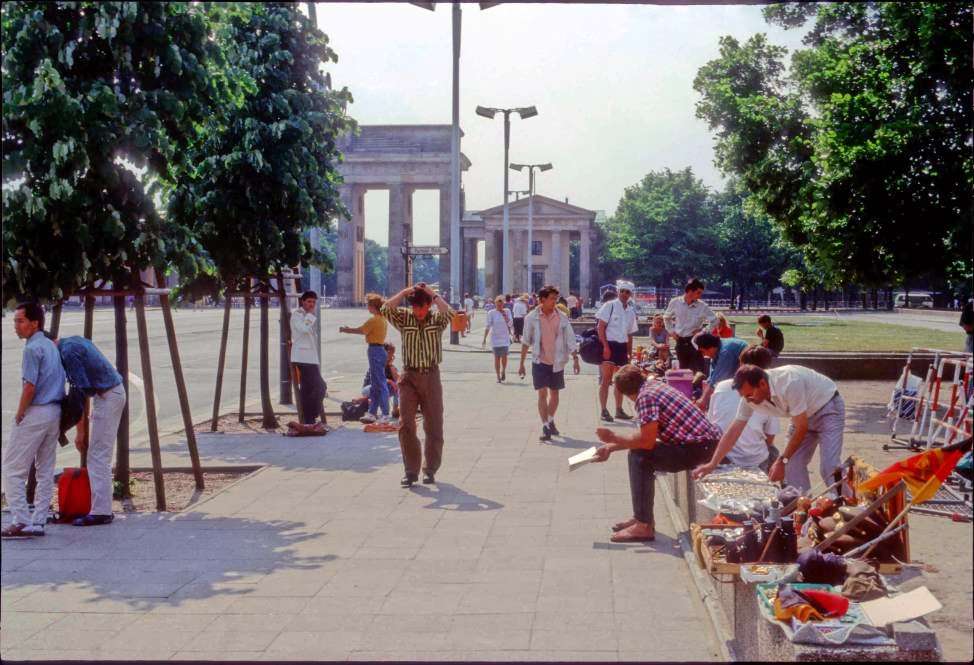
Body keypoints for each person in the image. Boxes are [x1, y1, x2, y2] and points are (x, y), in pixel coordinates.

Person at [592, 365, 722, 542]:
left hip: (700, 449)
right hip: (704, 445)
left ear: (626, 393)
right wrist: (611, 446)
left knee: (640, 457)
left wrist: (614, 436)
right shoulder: (655, 386)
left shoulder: (645, 397)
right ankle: (642, 517)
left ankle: (643, 524)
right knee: (639, 453)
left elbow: (646, 441)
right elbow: (647, 436)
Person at [693, 364, 845, 494]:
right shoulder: (749, 397)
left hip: (827, 408)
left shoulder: (790, 382)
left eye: (749, 395)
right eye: (744, 397)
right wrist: (712, 464)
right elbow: (734, 431)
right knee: (792, 466)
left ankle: (849, 506)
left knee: (829, 467)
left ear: (762, 384)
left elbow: (801, 427)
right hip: (801, 415)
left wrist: (781, 461)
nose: (747, 401)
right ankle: (802, 510)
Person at [381, 283, 454, 487]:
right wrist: (404, 292)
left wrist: (433, 294)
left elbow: (449, 313)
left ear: (428, 306)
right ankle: (411, 470)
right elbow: (386, 308)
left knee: (434, 425)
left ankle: (429, 469)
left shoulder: (436, 321)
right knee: (406, 424)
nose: (418, 312)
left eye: (422, 307)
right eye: (415, 307)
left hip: (431, 376)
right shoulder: (405, 319)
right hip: (410, 377)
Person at [2, 303, 65, 539]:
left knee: (12, 468)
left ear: (34, 323)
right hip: (54, 411)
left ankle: (20, 519)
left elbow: (29, 386)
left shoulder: (32, 349)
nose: (16, 326)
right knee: (45, 469)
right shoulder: (49, 345)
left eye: (20, 321)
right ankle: (38, 521)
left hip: (36, 411)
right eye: (14, 321)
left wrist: (20, 412)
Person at [56, 336, 127, 526]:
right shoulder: (73, 341)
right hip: (108, 395)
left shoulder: (67, 352)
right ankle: (101, 508)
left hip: (107, 397)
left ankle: (102, 512)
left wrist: (80, 433)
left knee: (98, 456)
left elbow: (80, 392)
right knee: (98, 454)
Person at [518, 285, 581, 442]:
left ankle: (551, 419)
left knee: (555, 394)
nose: (555, 302)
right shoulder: (531, 317)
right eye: (552, 298)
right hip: (539, 360)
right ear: (542, 299)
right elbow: (526, 341)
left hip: (557, 361)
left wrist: (575, 358)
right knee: (542, 393)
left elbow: (570, 338)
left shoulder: (561, 317)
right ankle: (545, 425)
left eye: (556, 298)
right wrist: (521, 364)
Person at [707, 379, 779, 473]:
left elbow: (711, 422)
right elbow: (770, 437)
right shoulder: (767, 392)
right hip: (754, 458)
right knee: (772, 450)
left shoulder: (721, 387)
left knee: (774, 452)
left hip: (725, 457)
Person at [340, 293, 390, 424]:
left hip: (375, 350)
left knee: (380, 383)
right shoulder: (383, 319)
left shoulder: (374, 320)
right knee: (375, 383)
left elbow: (362, 331)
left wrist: (346, 330)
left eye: (368, 304)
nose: (367, 307)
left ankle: (385, 413)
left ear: (373, 306)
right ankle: (372, 412)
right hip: (379, 350)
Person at [596, 283, 639, 422]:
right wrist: (605, 347)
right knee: (606, 380)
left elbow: (630, 333)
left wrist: (629, 352)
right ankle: (603, 410)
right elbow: (600, 327)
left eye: (628, 292)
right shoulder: (610, 305)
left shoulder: (631, 311)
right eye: (622, 291)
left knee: (620, 381)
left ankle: (619, 409)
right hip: (610, 344)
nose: (624, 294)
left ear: (631, 294)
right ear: (618, 291)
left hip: (622, 347)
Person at [664, 278, 716, 374]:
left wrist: (703, 331)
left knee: (698, 371)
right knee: (682, 372)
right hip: (680, 341)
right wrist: (672, 332)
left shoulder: (703, 306)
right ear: (690, 291)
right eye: (698, 293)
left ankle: (698, 388)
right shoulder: (675, 302)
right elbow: (666, 318)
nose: (700, 296)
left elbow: (715, 320)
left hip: (695, 342)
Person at [290, 291, 327, 426]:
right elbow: (303, 329)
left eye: (313, 302)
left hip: (310, 358)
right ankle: (310, 416)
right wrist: (311, 315)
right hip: (302, 356)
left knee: (309, 387)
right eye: (309, 301)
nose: (312, 304)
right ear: (303, 302)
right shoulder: (297, 315)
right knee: (319, 386)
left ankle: (309, 417)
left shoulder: (306, 315)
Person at [693, 333, 749, 411]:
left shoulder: (725, 352)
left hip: (750, 366)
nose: (704, 355)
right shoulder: (717, 349)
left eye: (703, 352)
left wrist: (703, 400)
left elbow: (717, 380)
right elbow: (712, 377)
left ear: (711, 347)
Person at [361, 342, 401, 421]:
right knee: (383, 386)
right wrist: (389, 381)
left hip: (384, 389)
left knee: (398, 385)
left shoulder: (391, 366)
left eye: (393, 353)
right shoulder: (377, 363)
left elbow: (397, 380)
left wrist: (390, 365)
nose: (391, 355)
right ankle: (377, 412)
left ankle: (395, 409)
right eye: (390, 353)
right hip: (369, 388)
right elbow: (378, 379)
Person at [483, 295, 514, 383]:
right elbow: (488, 326)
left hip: (504, 338)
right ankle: (497, 376)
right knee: (496, 358)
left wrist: (505, 315)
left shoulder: (507, 311)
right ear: (495, 304)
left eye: (501, 305)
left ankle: (503, 371)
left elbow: (510, 324)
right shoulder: (491, 313)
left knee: (504, 357)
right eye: (498, 304)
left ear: (503, 304)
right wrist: (484, 338)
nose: (500, 306)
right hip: (495, 338)